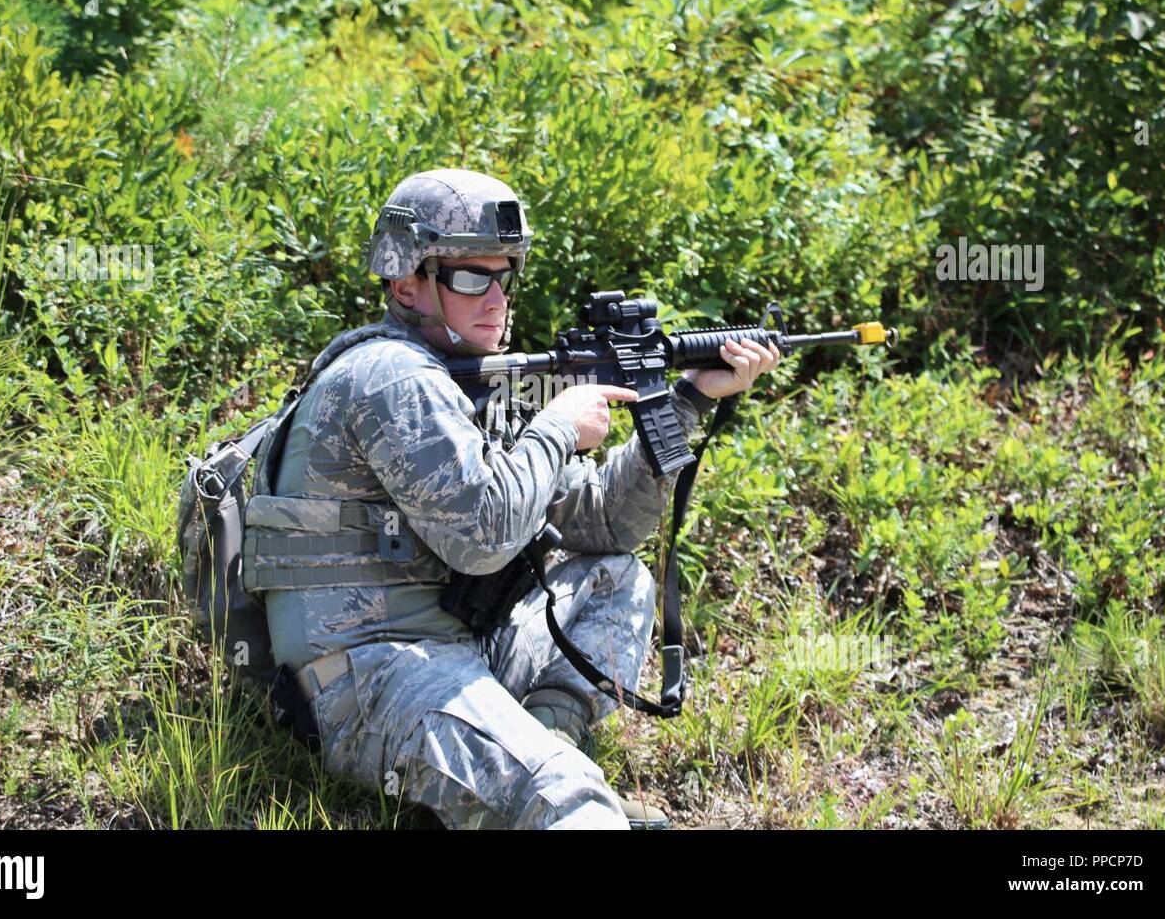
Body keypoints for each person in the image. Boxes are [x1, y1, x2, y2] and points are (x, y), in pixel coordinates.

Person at [252, 168, 779, 829]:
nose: (495, 297)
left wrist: (689, 398)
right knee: (575, 806)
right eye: (471, 278)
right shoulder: (389, 377)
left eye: (505, 276)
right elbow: (481, 537)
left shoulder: (467, 384)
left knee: (615, 579)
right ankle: (544, 785)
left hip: (446, 651)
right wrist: (558, 427)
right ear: (407, 281)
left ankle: (536, 757)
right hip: (364, 677)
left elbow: (603, 524)